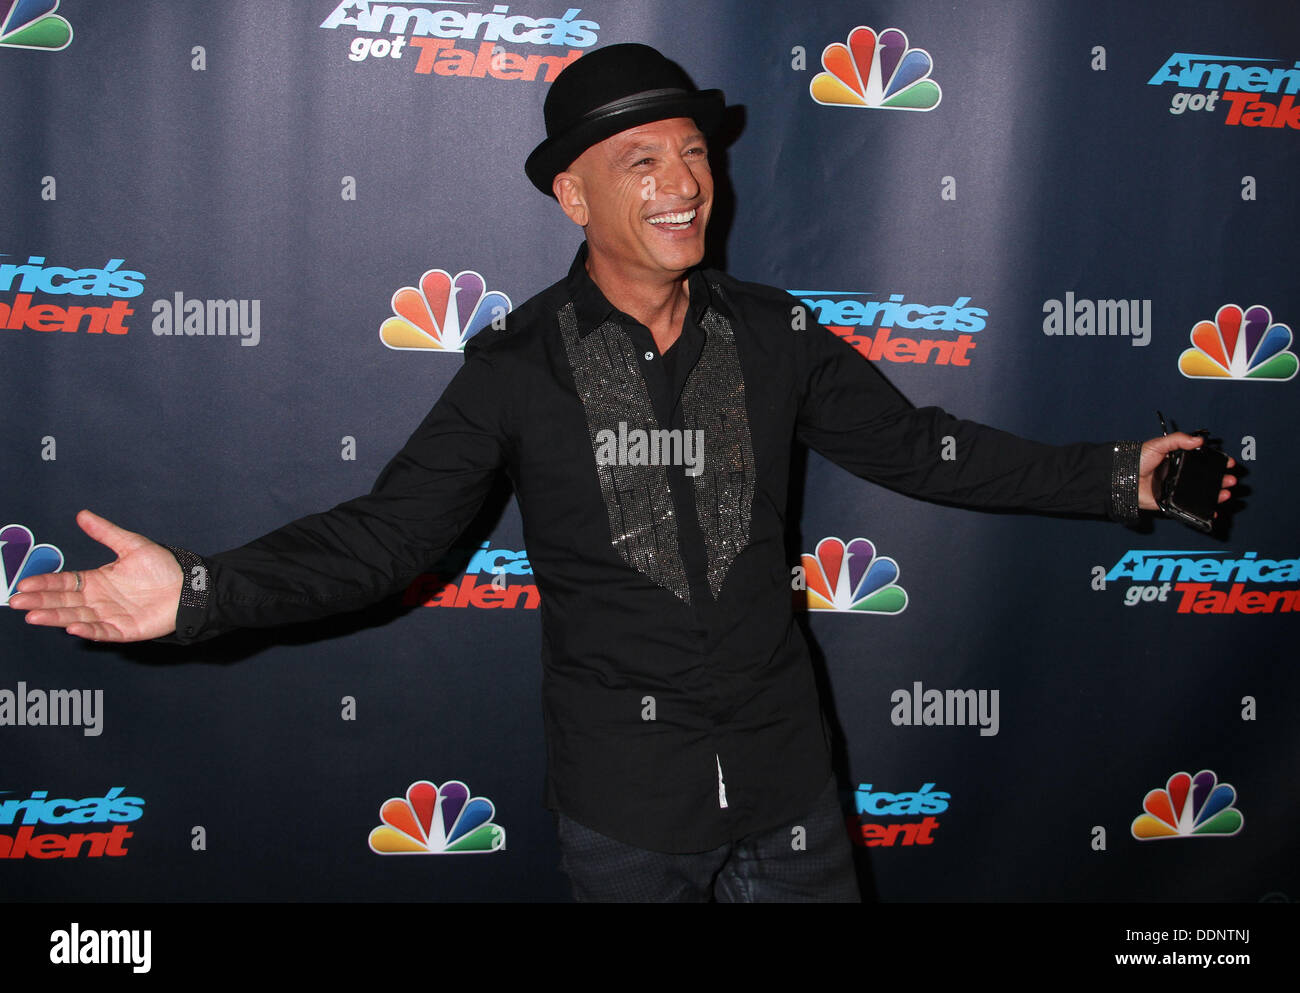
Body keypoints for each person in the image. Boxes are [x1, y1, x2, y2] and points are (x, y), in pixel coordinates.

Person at [12, 44, 1236, 902]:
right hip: (625, 809)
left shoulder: (776, 334)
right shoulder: (512, 368)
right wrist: (204, 595)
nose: (684, 183)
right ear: (570, 192)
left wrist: (1122, 475)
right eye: (641, 160)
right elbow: (390, 538)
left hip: (789, 784)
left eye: (692, 151)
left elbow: (924, 449)